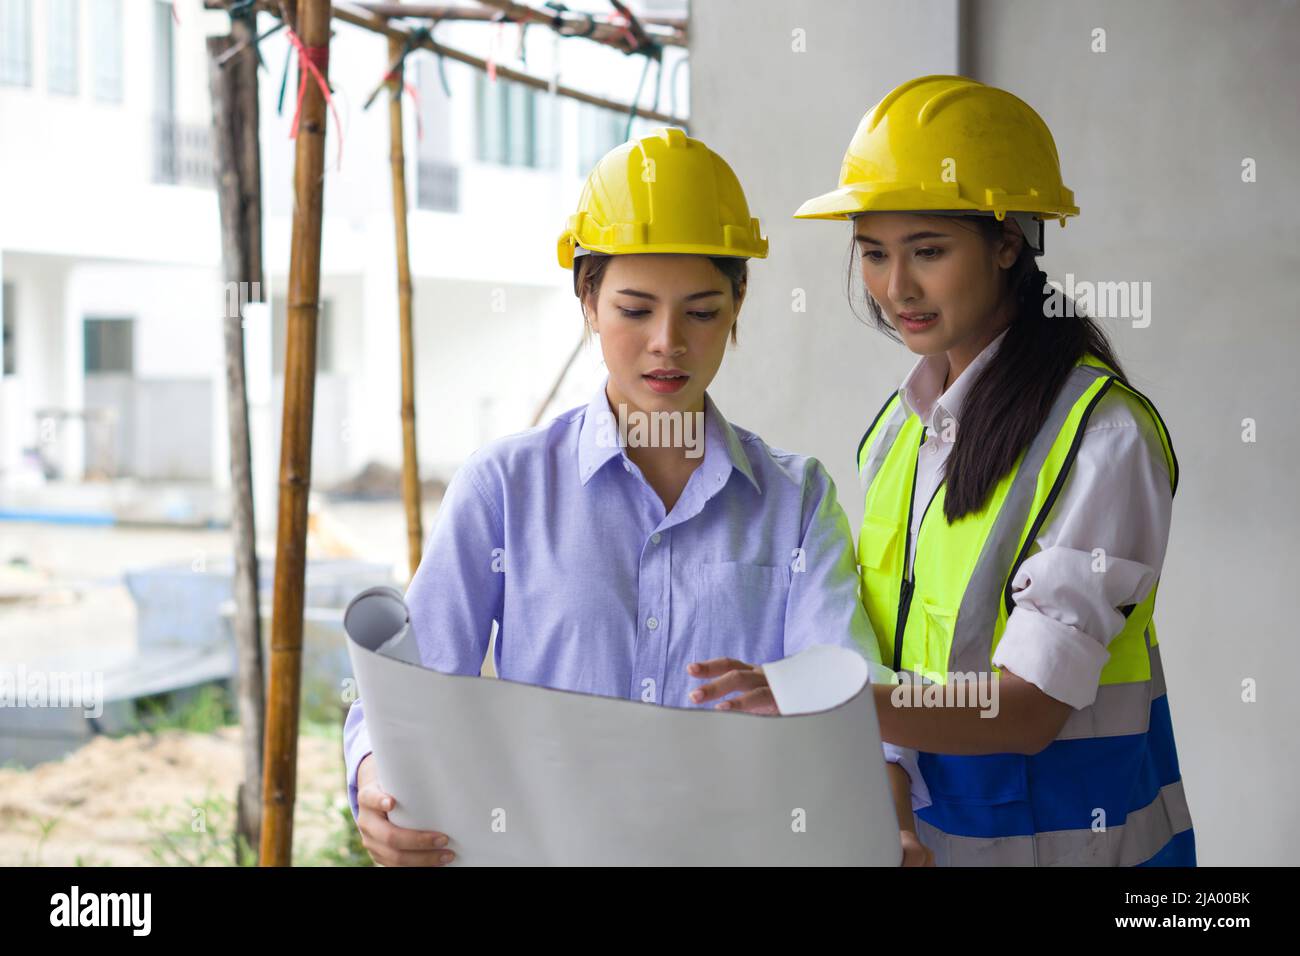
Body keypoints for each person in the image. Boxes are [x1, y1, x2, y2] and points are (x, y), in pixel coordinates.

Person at [343, 127, 932, 867]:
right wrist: (375, 784)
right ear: (587, 299)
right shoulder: (505, 489)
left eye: (702, 310)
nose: (667, 342)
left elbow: (849, 705)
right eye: (633, 308)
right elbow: (408, 695)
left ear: (739, 302)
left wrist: (890, 829)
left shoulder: (795, 501)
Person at [785, 74, 1196, 866]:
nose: (896, 287)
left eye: (928, 251)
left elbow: (1030, 710)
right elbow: (888, 651)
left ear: (1008, 241)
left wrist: (822, 706)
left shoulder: (1102, 438)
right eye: (873, 253)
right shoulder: (898, 434)